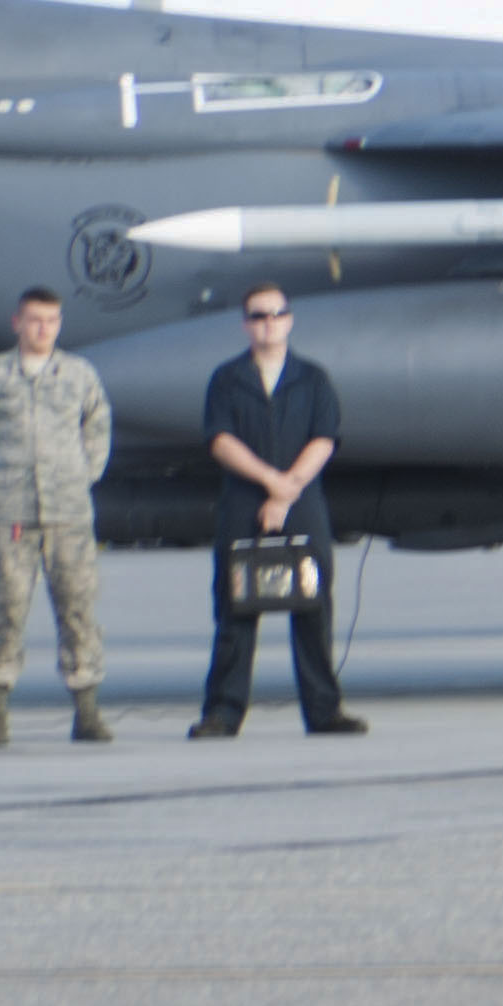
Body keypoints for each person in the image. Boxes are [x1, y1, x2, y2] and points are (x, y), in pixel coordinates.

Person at [191, 290, 362, 739]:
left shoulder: (313, 379)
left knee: (313, 607)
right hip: (244, 501)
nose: (268, 322)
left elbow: (324, 438)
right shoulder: (227, 380)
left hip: (302, 503)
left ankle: (324, 711)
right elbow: (221, 439)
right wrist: (271, 482)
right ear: (246, 324)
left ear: (290, 320)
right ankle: (222, 713)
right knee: (235, 608)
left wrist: (288, 492)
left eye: (276, 314)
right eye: (258, 316)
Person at [0, 288, 113, 744]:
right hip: (12, 512)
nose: (42, 328)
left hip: (68, 512)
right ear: (17, 323)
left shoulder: (79, 375)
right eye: (34, 319)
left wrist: (81, 475)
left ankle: (86, 710)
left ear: (60, 324)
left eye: (50, 320)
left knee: (77, 609)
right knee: (7, 608)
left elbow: (98, 428)